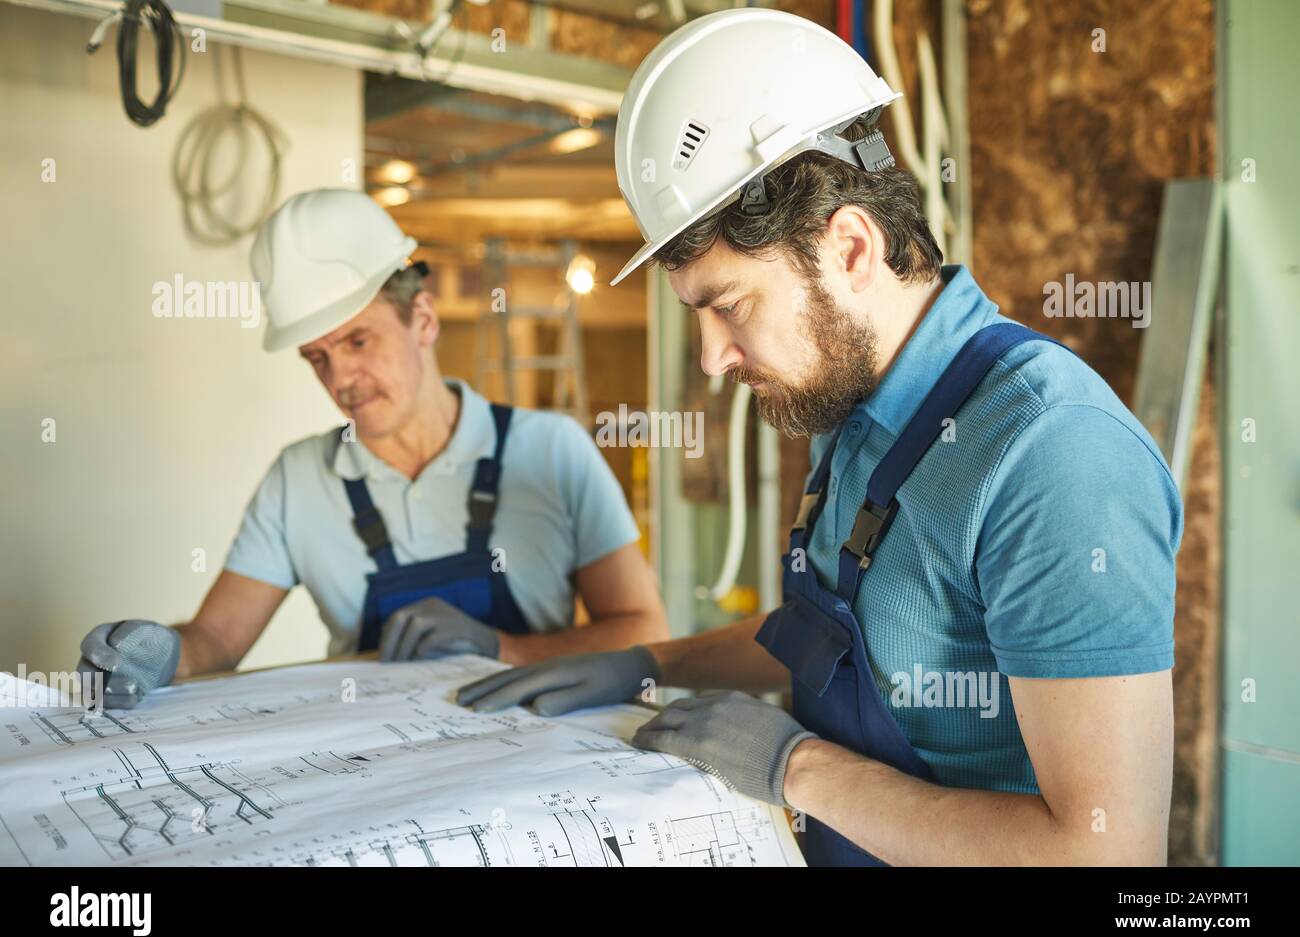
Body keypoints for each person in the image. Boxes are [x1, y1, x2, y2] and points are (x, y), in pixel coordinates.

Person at [455, 8, 1182, 866]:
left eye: (728, 306)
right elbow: (839, 641)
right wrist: (645, 658)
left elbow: (1106, 856)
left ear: (848, 248)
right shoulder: (858, 408)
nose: (714, 359)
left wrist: (798, 768)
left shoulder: (1051, 451)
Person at [75, 189, 667, 710]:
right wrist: (161, 652)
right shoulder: (299, 479)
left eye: (358, 340)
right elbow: (219, 640)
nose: (342, 379)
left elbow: (645, 631)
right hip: (375, 776)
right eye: (318, 358)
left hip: (533, 774)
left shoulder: (551, 451)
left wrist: (500, 648)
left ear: (424, 320)